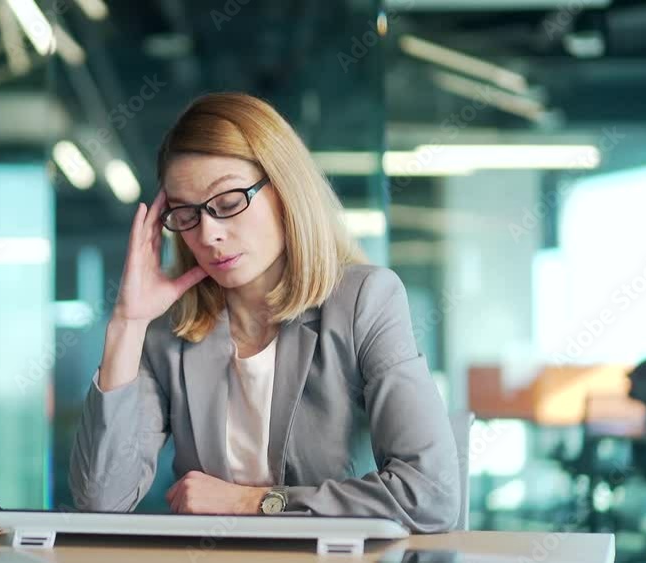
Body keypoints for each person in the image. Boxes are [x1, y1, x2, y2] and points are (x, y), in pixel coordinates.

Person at [69, 92, 460, 533]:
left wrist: (252, 502)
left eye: (229, 202)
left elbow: (430, 496)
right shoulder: (169, 328)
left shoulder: (365, 301)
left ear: (284, 189)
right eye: (186, 213)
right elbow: (101, 499)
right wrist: (128, 322)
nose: (209, 234)